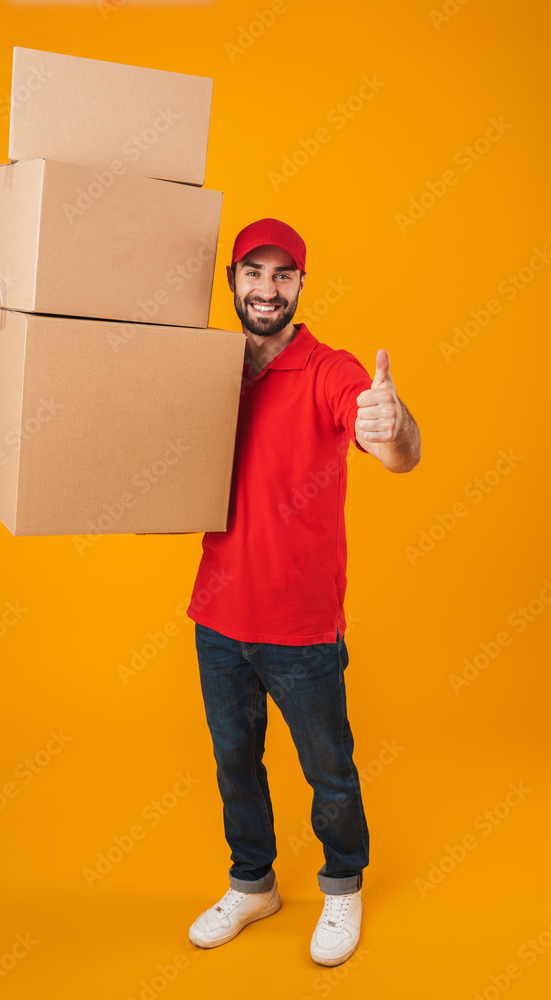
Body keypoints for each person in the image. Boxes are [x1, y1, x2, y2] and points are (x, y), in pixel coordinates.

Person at [185, 218, 421, 966]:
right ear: (232, 281)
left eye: (282, 275)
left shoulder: (330, 370)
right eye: (253, 273)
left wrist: (392, 426)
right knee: (234, 762)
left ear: (299, 287)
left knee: (328, 769)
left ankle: (341, 886)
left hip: (300, 625)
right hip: (216, 614)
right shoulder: (204, 369)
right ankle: (252, 883)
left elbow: (392, 447)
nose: (266, 288)